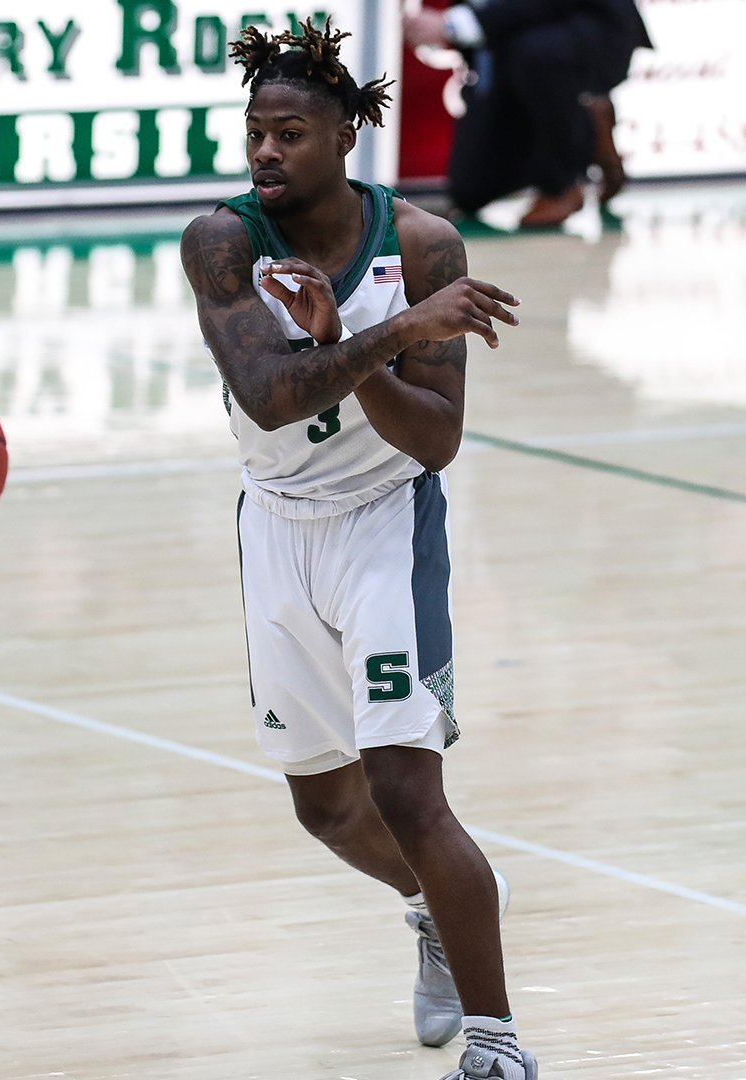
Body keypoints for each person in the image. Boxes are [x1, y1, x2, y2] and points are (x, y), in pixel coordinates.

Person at [179, 19, 533, 1080]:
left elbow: (436, 440)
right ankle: (434, 913)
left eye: (289, 134)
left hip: (385, 523)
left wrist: (360, 342)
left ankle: (498, 1045)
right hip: (276, 526)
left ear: (343, 139)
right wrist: (393, 333)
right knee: (326, 810)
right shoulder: (223, 241)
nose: (265, 151)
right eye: (256, 131)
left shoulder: (423, 248)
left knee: (407, 792)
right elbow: (269, 395)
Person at [406, 0, 652, 227]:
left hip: (589, 26)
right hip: (510, 51)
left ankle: (562, 183)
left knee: (534, 53)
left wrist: (453, 24)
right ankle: (587, 127)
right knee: (468, 191)